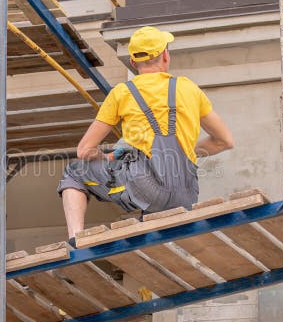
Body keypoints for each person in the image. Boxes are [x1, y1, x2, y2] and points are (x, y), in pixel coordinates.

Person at [58, 26, 234, 240]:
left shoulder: (122, 93)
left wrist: (106, 158)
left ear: (133, 63)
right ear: (166, 56)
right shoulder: (189, 88)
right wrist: (184, 153)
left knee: (75, 172)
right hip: (185, 192)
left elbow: (84, 150)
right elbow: (224, 141)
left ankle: (76, 239)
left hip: (145, 187)